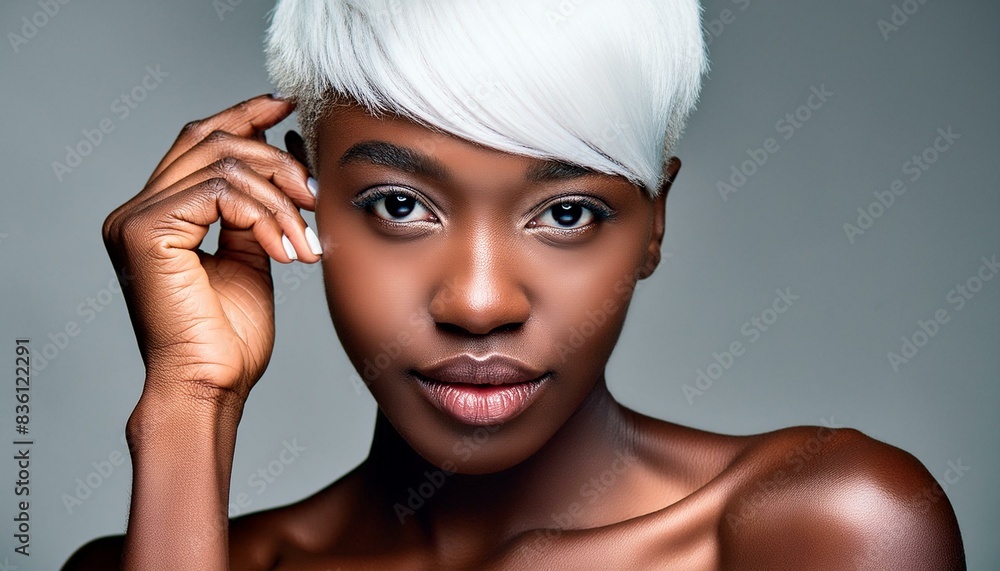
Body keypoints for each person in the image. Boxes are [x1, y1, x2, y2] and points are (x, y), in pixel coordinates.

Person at [64, 0, 965, 569]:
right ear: (300, 196)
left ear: (655, 222)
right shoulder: (169, 549)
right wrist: (189, 401)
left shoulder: (824, 528)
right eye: (399, 204)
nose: (481, 302)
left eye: (566, 212)